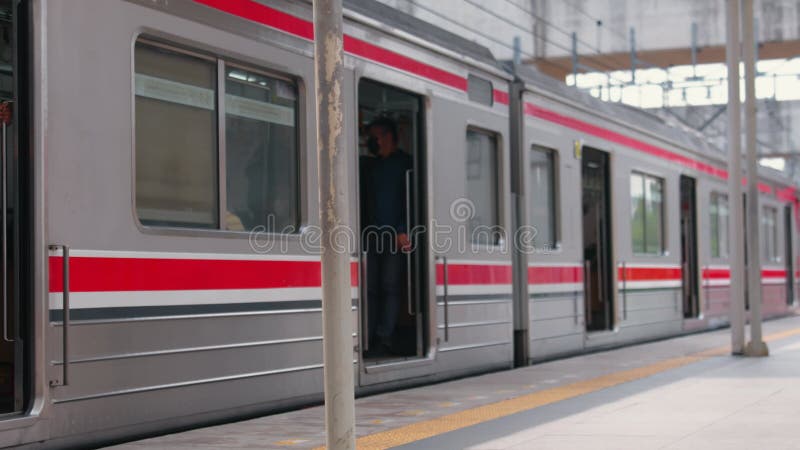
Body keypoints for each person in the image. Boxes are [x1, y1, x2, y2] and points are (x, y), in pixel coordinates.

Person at [361, 116, 413, 356]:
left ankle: (385, 337)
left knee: (390, 286)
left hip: (394, 236)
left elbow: (411, 198)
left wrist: (403, 228)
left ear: (390, 136)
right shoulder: (371, 166)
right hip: (371, 236)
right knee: (370, 288)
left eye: (376, 136)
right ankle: (369, 337)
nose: (372, 141)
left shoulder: (405, 164)